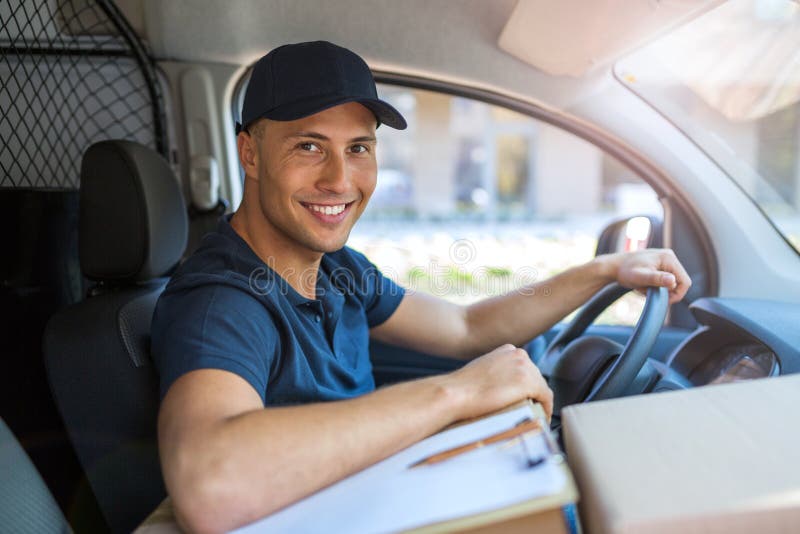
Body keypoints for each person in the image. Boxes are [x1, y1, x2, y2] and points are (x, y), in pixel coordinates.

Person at [152, 40, 691, 533]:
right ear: (250, 154)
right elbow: (211, 483)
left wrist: (604, 272)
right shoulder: (222, 299)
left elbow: (465, 327)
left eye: (359, 148)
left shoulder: (339, 269)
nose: (340, 179)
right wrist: (458, 392)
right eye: (309, 147)